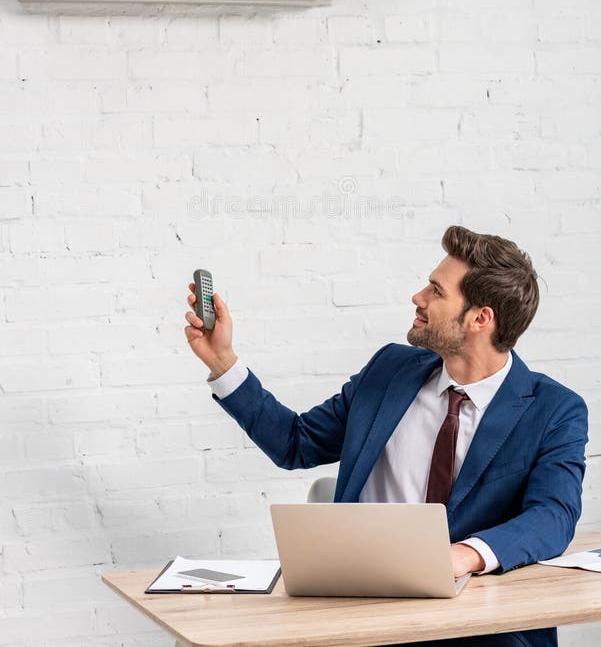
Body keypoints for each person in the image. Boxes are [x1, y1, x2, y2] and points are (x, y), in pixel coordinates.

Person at [184, 226, 588, 647]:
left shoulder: (554, 410)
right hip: (361, 615)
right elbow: (296, 443)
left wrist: (460, 556)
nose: (418, 297)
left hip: (481, 628)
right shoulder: (390, 370)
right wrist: (223, 362)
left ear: (479, 318)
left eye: (436, 290)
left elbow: (553, 515)